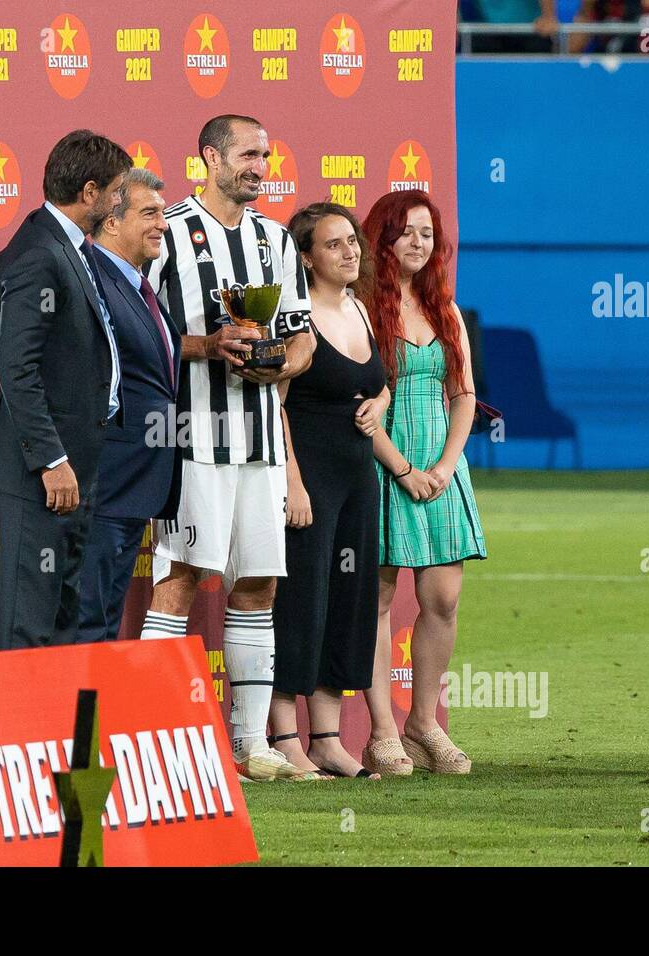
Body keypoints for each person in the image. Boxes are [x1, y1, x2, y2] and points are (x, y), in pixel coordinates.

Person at [137, 114, 317, 782]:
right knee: (180, 580)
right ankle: (155, 749)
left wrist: (281, 365)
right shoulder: (168, 233)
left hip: (262, 441)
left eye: (266, 156)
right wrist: (207, 348)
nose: (260, 167)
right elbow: (137, 334)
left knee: (258, 585)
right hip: (192, 441)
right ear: (209, 157)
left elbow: (301, 335)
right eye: (247, 155)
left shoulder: (274, 239)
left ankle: (249, 744)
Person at [0, 130, 130, 650]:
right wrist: (50, 460)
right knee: (30, 622)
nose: (120, 202)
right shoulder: (42, 251)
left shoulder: (57, 242)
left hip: (78, 465)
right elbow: (16, 368)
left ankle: (58, 733)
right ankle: (18, 731)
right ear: (90, 192)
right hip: (44, 474)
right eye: (116, 191)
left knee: (63, 620)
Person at [358, 189, 487, 774]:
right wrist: (403, 469)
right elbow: (359, 405)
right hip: (381, 465)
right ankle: (383, 730)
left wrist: (441, 467)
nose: (418, 242)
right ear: (382, 238)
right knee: (378, 599)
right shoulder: (360, 306)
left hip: (441, 468)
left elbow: (464, 397)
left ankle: (424, 723)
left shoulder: (446, 308)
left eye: (427, 233)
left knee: (443, 599)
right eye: (407, 231)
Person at [267, 203, 389, 780]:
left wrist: (381, 404)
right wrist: (292, 481)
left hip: (357, 478)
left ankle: (327, 739)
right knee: (301, 601)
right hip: (308, 479)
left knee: (347, 603)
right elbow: (276, 406)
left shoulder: (361, 308)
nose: (350, 252)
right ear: (307, 257)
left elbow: (374, 383)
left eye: (352, 241)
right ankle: (284, 736)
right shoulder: (296, 318)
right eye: (334, 244)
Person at [76, 168, 183, 644]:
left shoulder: (140, 286)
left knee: (102, 618)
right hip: (104, 477)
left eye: (163, 213)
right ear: (112, 222)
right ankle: (71, 719)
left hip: (138, 477)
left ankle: (92, 717)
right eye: (150, 213)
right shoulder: (91, 277)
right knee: (86, 618)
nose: (163, 223)